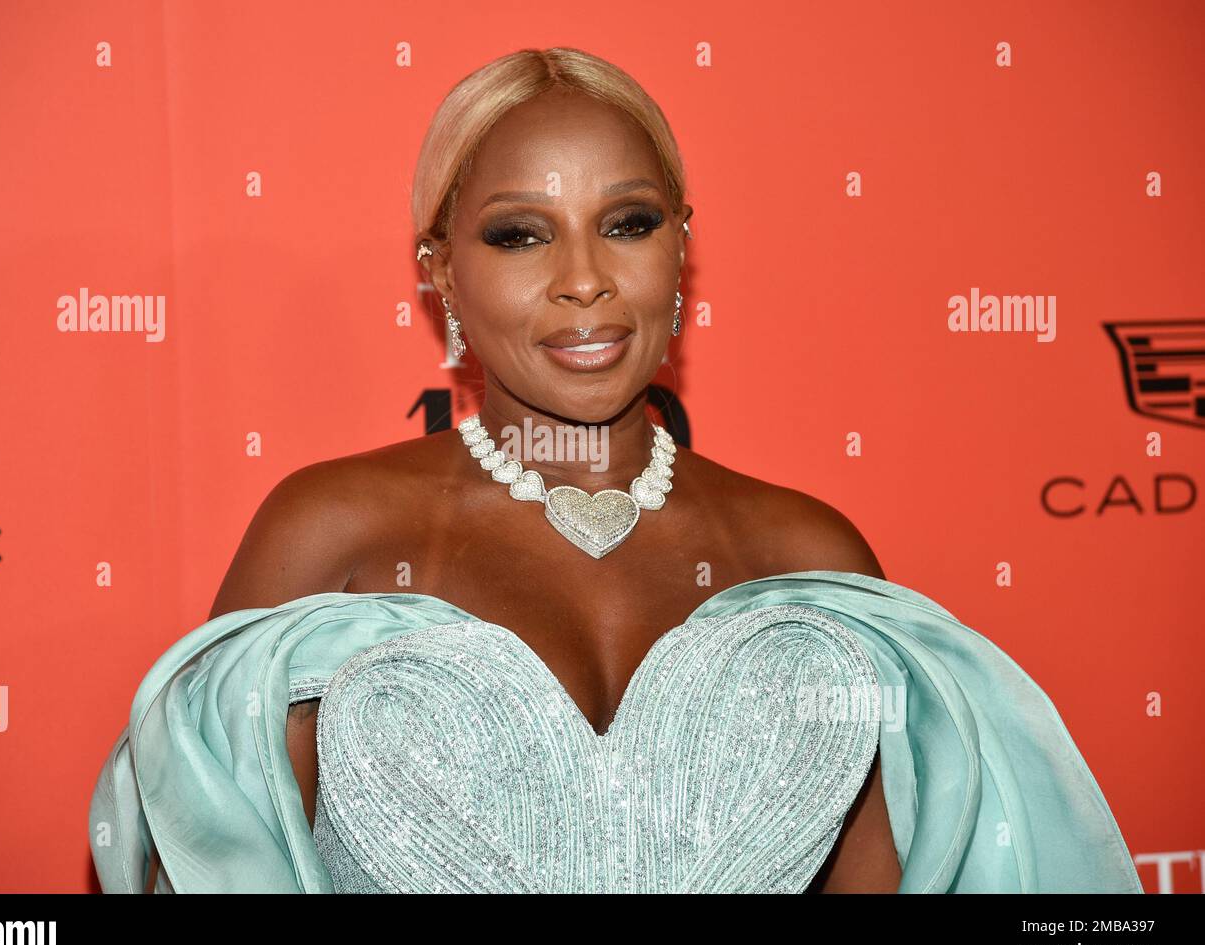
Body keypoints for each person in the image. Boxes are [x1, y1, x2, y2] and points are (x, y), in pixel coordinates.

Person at [89, 47, 1142, 894]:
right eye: (520, 236)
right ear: (438, 268)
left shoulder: (809, 559)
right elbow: (182, 872)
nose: (584, 282)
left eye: (627, 225)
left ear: (681, 248)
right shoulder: (333, 533)